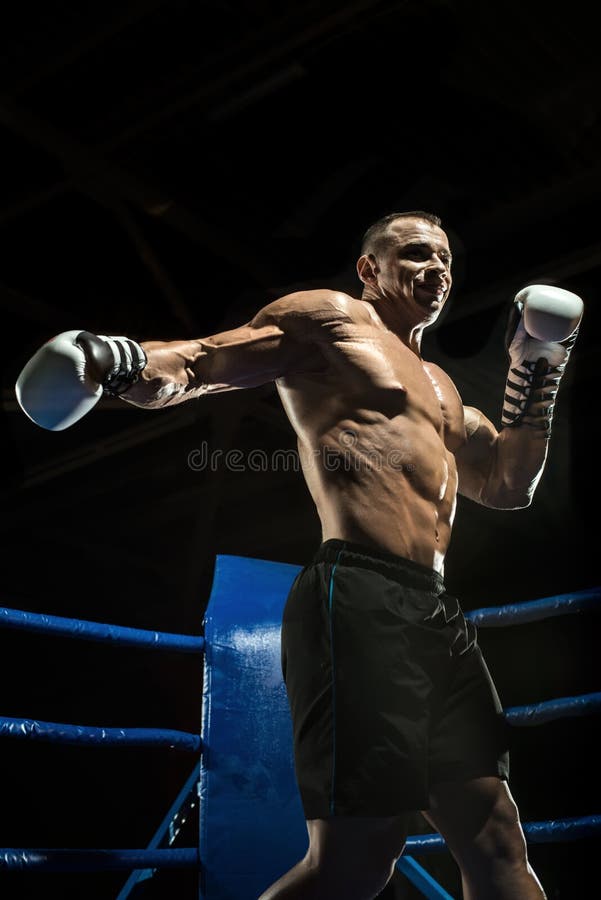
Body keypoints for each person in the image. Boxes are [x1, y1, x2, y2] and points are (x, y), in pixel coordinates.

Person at [15, 211, 583, 899]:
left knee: (496, 842)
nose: (434, 269)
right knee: (356, 859)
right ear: (370, 269)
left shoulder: (442, 388)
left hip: (436, 613)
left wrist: (537, 367)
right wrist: (116, 361)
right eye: (413, 254)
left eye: (443, 260)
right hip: (359, 595)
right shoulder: (330, 319)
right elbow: (205, 360)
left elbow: (506, 483)